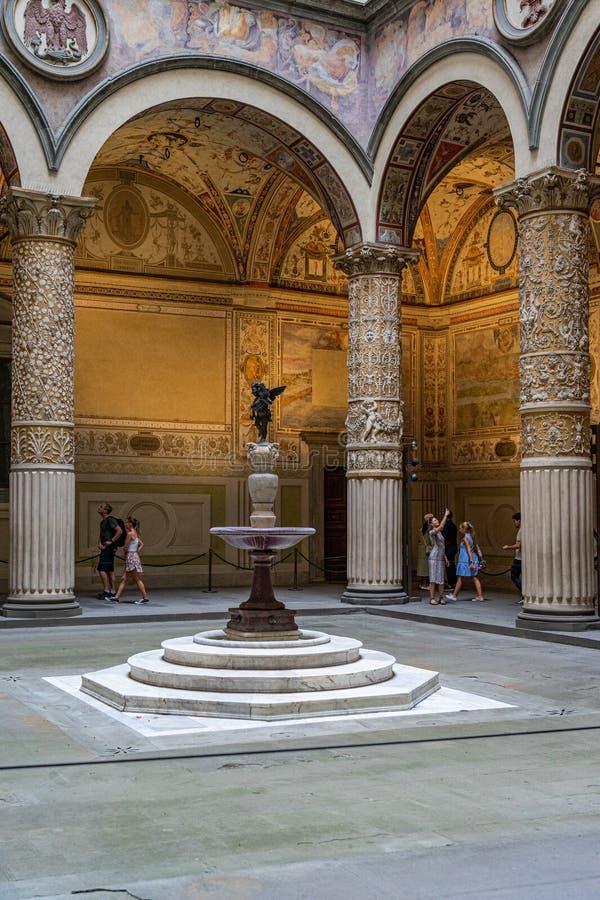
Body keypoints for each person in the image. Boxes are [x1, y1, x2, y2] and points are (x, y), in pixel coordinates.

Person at [446, 521, 485, 602]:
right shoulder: (471, 536)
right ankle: (480, 596)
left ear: (464, 529)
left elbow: (468, 550)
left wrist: (470, 562)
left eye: (460, 528)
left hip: (465, 560)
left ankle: (454, 595)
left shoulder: (465, 538)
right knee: (474, 577)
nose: (459, 530)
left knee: (460, 577)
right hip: (472, 559)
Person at [115, 517, 149, 604]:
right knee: (124, 578)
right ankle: (116, 597)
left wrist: (125, 550)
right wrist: (136, 551)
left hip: (130, 556)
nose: (125, 524)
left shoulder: (130, 534)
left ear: (130, 524)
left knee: (137, 579)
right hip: (134, 556)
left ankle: (145, 598)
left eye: (126, 522)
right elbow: (141, 544)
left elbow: (125, 547)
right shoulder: (136, 533)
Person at [97, 503, 123, 602]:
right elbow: (101, 534)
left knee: (101, 568)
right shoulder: (102, 522)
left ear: (106, 510)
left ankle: (107, 590)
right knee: (109, 569)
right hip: (105, 547)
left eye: (101, 507)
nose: (99, 508)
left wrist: (111, 541)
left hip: (109, 547)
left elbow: (119, 531)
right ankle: (112, 591)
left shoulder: (110, 520)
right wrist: (99, 542)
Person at [428, 509, 450, 605]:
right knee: (433, 579)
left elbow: (442, 546)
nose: (437, 521)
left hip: (440, 557)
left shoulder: (439, 533)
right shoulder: (432, 532)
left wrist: (445, 558)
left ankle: (441, 597)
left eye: (437, 520)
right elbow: (441, 527)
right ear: (431, 524)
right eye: (435, 521)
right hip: (433, 558)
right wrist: (445, 515)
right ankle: (432, 598)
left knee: (441, 579)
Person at [503, 511, 522, 601]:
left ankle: (524, 593)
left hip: (519, 559)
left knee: (513, 575)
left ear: (519, 521)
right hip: (523, 558)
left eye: (514, 521)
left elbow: (518, 545)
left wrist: (508, 547)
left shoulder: (520, 531)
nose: (514, 523)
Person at [416, 512, 433, 590]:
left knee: (423, 568)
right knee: (426, 568)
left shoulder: (421, 529)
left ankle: (422, 583)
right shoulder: (429, 530)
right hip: (427, 550)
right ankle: (425, 584)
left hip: (422, 550)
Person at [442, 510, 458, 590]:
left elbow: (443, 537)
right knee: (452, 564)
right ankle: (453, 582)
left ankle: (451, 583)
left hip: (448, 548)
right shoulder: (454, 525)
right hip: (453, 547)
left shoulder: (447, 525)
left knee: (449, 565)